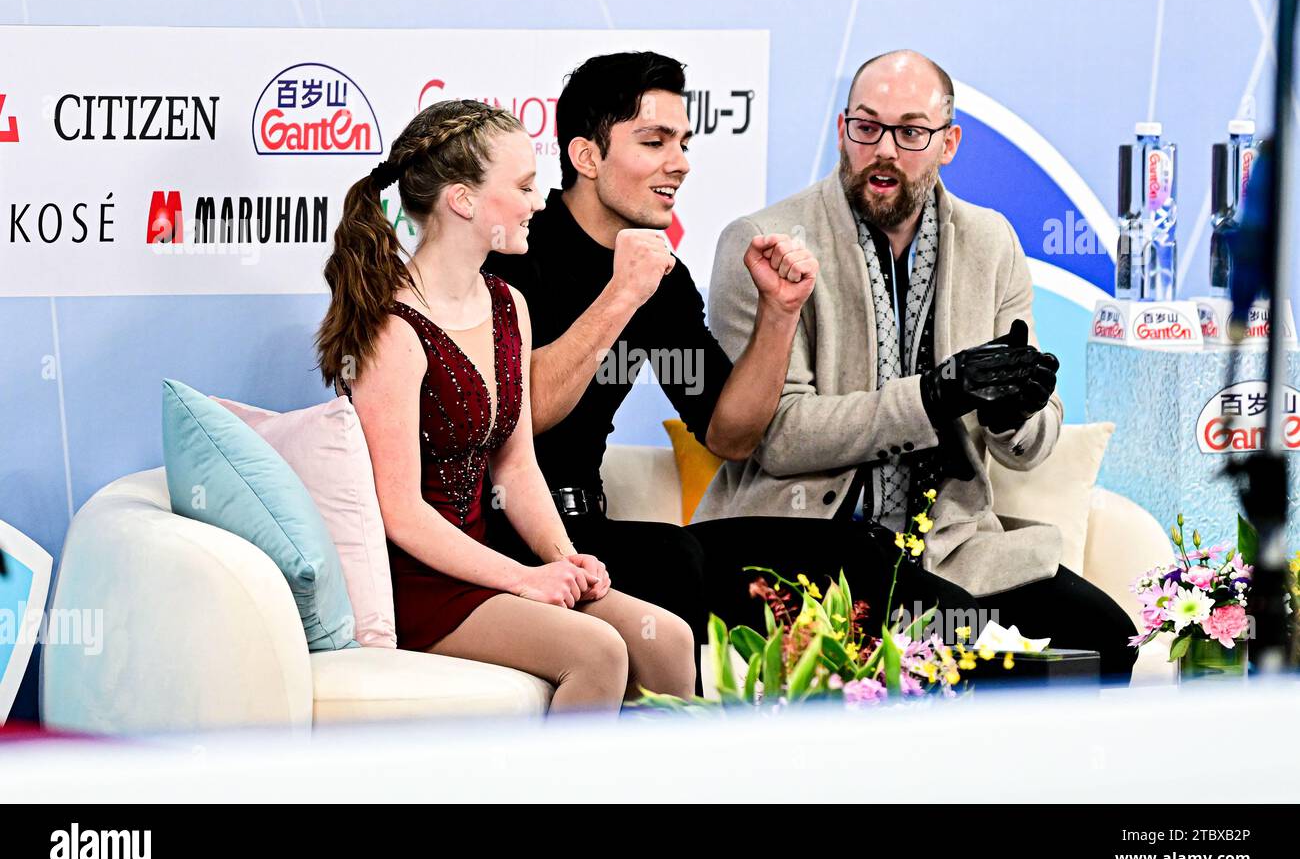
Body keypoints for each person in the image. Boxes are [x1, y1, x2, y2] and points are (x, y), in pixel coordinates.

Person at [690, 50, 1138, 684]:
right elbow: (777, 438)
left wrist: (1015, 412)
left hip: (950, 545)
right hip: (805, 537)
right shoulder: (765, 241)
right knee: (960, 642)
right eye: (867, 127)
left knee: (1107, 639)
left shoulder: (992, 242)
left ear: (948, 143)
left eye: (910, 132)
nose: (885, 150)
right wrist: (932, 396)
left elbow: (1030, 447)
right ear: (842, 129)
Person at [314, 99, 696, 712]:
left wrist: (565, 558)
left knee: (670, 642)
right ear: (463, 201)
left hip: (488, 560)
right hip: (419, 584)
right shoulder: (392, 330)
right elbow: (401, 511)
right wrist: (523, 579)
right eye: (522, 186)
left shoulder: (506, 304)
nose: (538, 202)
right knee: (598, 652)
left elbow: (516, 467)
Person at [482, 52, 821, 663]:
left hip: (591, 531)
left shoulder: (658, 273)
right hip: (502, 535)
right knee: (678, 559)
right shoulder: (517, 247)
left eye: (683, 142)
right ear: (587, 157)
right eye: (654, 141)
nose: (681, 163)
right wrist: (622, 293)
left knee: (830, 560)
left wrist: (779, 314)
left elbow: (730, 433)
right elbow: (518, 415)